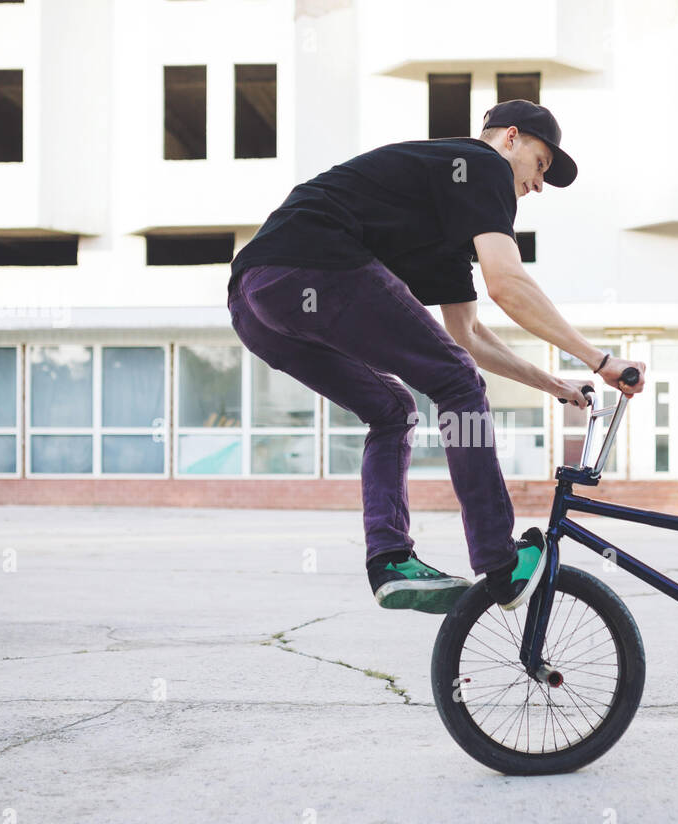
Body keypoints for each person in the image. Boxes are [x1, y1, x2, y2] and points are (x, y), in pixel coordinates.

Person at [226, 99, 645, 614]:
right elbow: (508, 284)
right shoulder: (482, 166)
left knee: (393, 408)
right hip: (316, 266)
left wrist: (556, 385)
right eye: (540, 166)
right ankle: (499, 558)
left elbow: (468, 336)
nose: (537, 186)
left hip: (255, 299)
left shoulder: (447, 218)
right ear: (509, 138)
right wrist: (599, 360)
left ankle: (391, 561)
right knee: (458, 384)